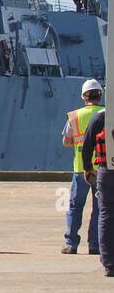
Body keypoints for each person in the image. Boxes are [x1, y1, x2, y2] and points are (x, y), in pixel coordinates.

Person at [62, 79, 105, 254]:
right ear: (100, 95)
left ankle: (71, 244)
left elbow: (66, 141)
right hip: (101, 168)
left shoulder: (74, 116)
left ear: (83, 96)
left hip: (80, 169)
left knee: (75, 206)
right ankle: (94, 245)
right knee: (99, 207)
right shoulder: (105, 114)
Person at [80, 106, 112, 276]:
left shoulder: (99, 118)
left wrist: (87, 168)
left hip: (106, 170)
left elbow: (86, 146)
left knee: (105, 215)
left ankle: (109, 264)